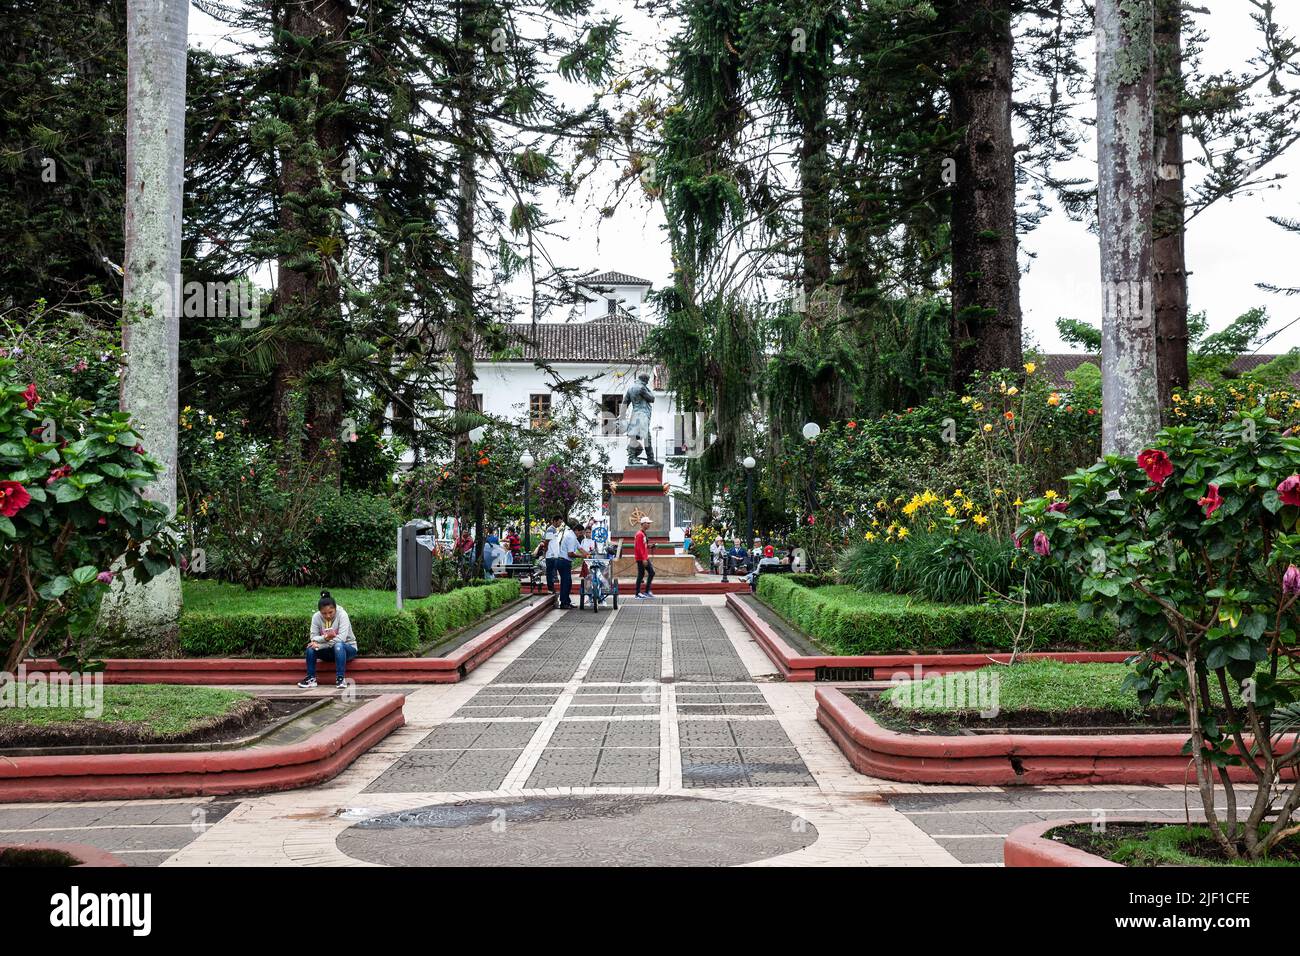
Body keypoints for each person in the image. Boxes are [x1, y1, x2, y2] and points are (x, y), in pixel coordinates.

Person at [298, 591, 358, 689]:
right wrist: (325, 638)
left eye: (331, 612)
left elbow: (341, 639)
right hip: (329, 652)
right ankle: (311, 678)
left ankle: (340, 678)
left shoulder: (342, 615)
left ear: (335, 608)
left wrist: (321, 644)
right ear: (320, 612)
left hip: (346, 649)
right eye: (324, 613)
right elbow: (313, 637)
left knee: (338, 645)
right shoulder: (316, 617)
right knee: (311, 648)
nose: (328, 616)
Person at [551, 515, 579, 608]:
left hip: (564, 561)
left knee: (568, 582)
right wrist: (581, 555)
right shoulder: (571, 537)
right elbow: (570, 553)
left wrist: (587, 554)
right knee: (565, 583)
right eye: (580, 532)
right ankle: (563, 603)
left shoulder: (572, 536)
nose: (581, 535)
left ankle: (566, 601)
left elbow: (580, 547)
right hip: (564, 562)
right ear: (576, 530)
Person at [634, 515, 656, 598]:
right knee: (643, 574)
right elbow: (639, 548)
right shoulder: (640, 534)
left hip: (643, 557)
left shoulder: (642, 533)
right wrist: (644, 559)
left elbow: (643, 546)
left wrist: (650, 546)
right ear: (643, 524)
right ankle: (638, 593)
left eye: (649, 523)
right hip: (641, 558)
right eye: (648, 523)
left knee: (646, 573)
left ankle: (645, 591)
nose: (649, 525)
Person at [542, 520, 559, 593]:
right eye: (559, 522)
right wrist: (546, 550)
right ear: (555, 521)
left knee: (552, 572)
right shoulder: (550, 530)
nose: (560, 523)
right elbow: (547, 541)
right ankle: (550, 589)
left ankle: (551, 588)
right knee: (550, 572)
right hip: (550, 555)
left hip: (553, 555)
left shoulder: (554, 530)